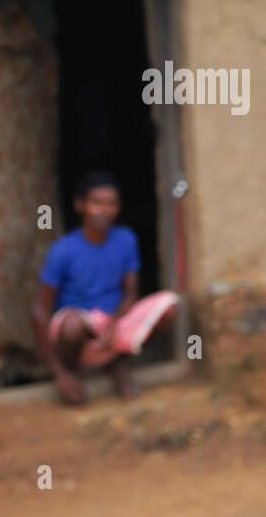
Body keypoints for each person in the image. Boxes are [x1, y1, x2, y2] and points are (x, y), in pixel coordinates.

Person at [33, 171, 180, 405]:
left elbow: (131, 293)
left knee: (169, 306)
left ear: (118, 208)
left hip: (115, 322)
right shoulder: (63, 250)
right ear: (80, 205)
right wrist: (58, 373)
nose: (104, 210)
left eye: (111, 204)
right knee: (72, 326)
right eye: (97, 203)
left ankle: (119, 363)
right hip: (81, 327)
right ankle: (73, 373)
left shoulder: (125, 239)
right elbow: (40, 310)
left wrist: (112, 325)